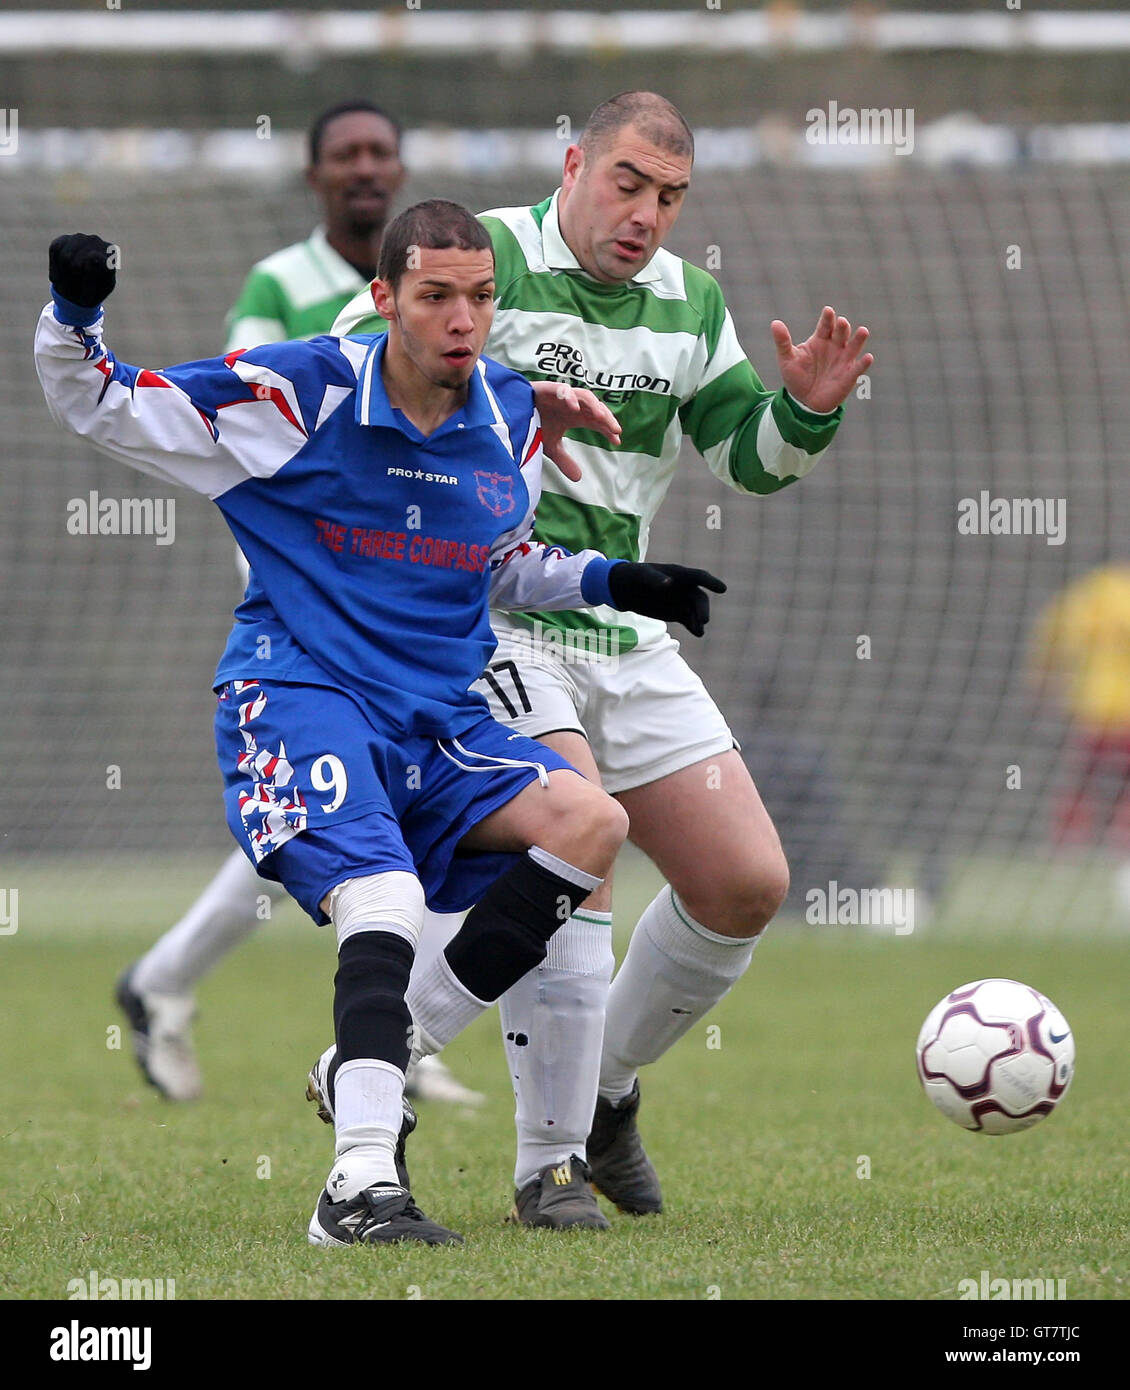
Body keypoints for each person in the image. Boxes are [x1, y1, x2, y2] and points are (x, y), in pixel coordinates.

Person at [36, 203, 724, 1244]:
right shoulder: (295, 392)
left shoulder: (506, 411)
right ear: (383, 299)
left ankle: (377, 1057)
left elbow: (490, 560)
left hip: (433, 714)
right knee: (387, 897)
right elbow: (99, 399)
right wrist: (75, 308)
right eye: (436, 296)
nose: (462, 319)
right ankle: (356, 1188)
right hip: (296, 695)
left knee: (589, 827)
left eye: (481, 298)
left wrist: (616, 576)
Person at [327, 91, 873, 1228]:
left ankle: (552, 1080)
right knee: (583, 832)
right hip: (494, 618)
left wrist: (804, 413)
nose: (644, 214)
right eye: (625, 182)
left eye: (668, 197)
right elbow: (356, 375)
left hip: (622, 621)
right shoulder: (477, 258)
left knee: (742, 884)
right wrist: (510, 396)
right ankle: (548, 1164)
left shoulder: (690, 300)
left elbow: (747, 460)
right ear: (572, 163)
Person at [110, 100, 476, 1110]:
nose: (366, 168)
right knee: (363, 809)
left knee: (348, 815)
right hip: (313, 586)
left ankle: (170, 982)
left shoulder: (432, 281)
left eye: (381, 152)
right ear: (314, 176)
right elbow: (240, 413)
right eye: (345, 155)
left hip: (414, 576)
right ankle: (388, 1026)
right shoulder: (279, 284)